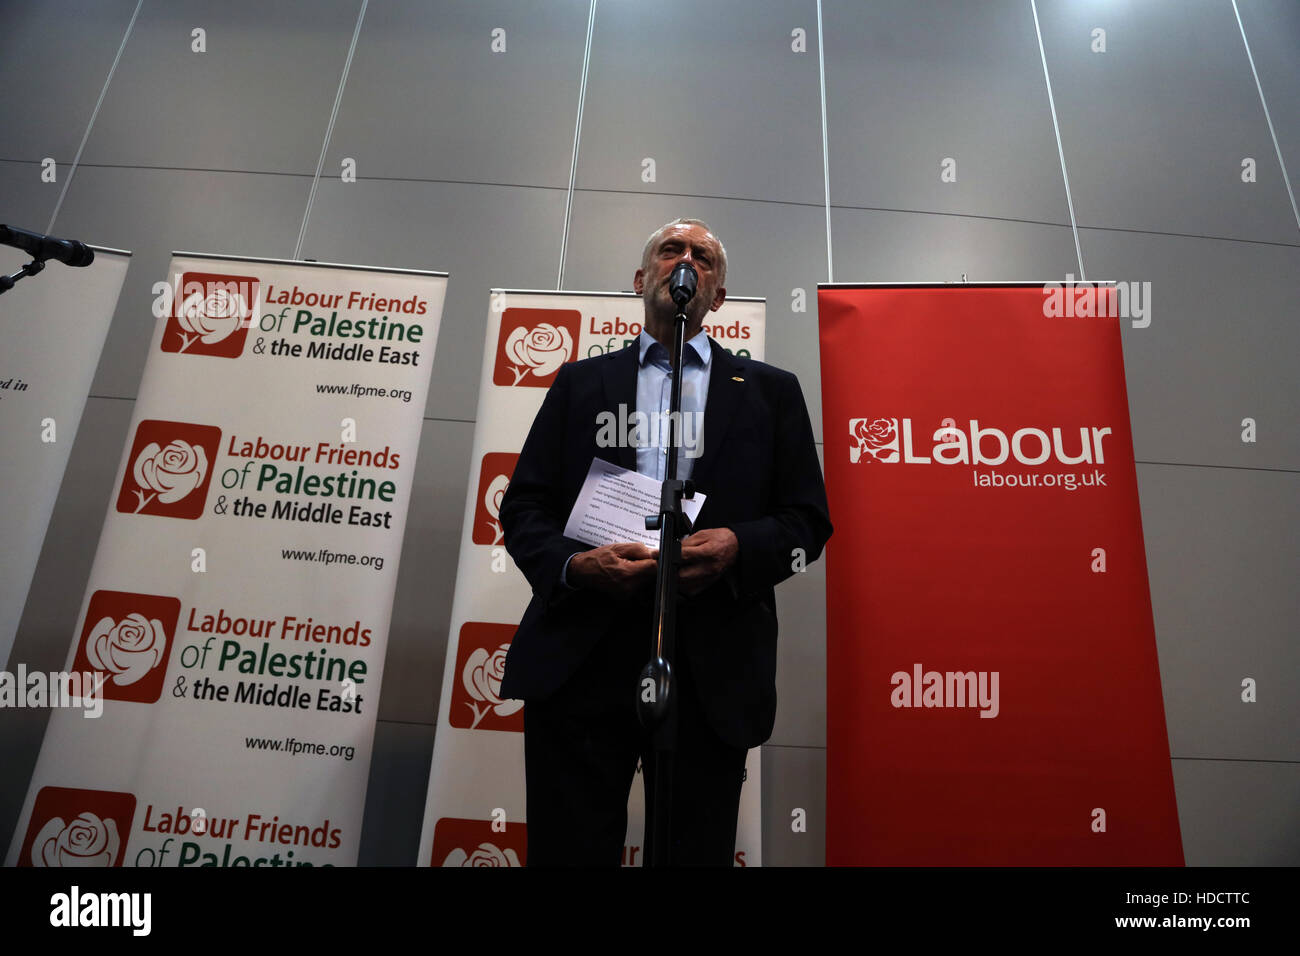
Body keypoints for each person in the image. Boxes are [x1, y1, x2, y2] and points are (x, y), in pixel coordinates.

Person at [498, 218, 832, 866]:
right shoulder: (579, 384)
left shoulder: (770, 392)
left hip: (711, 666)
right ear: (641, 279)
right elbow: (526, 507)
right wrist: (574, 565)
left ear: (718, 294)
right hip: (581, 660)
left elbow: (805, 522)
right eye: (669, 250)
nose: (685, 261)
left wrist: (737, 545)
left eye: (701, 256)